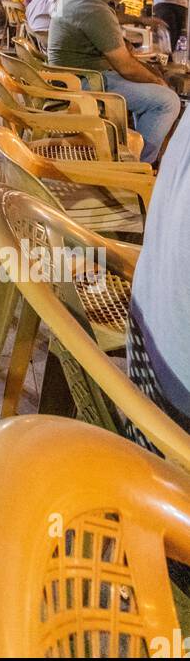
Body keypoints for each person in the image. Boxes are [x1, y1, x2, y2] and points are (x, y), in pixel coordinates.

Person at [47, 0, 180, 164]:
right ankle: (137, 166)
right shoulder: (93, 8)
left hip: (71, 74)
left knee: (153, 81)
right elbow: (125, 66)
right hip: (82, 81)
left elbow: (108, 10)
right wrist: (158, 81)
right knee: (167, 101)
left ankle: (135, 149)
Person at [126, 105, 190, 439]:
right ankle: (136, 162)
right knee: (164, 100)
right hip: (174, 419)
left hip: (145, 354)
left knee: (164, 99)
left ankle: (136, 160)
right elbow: (122, 64)